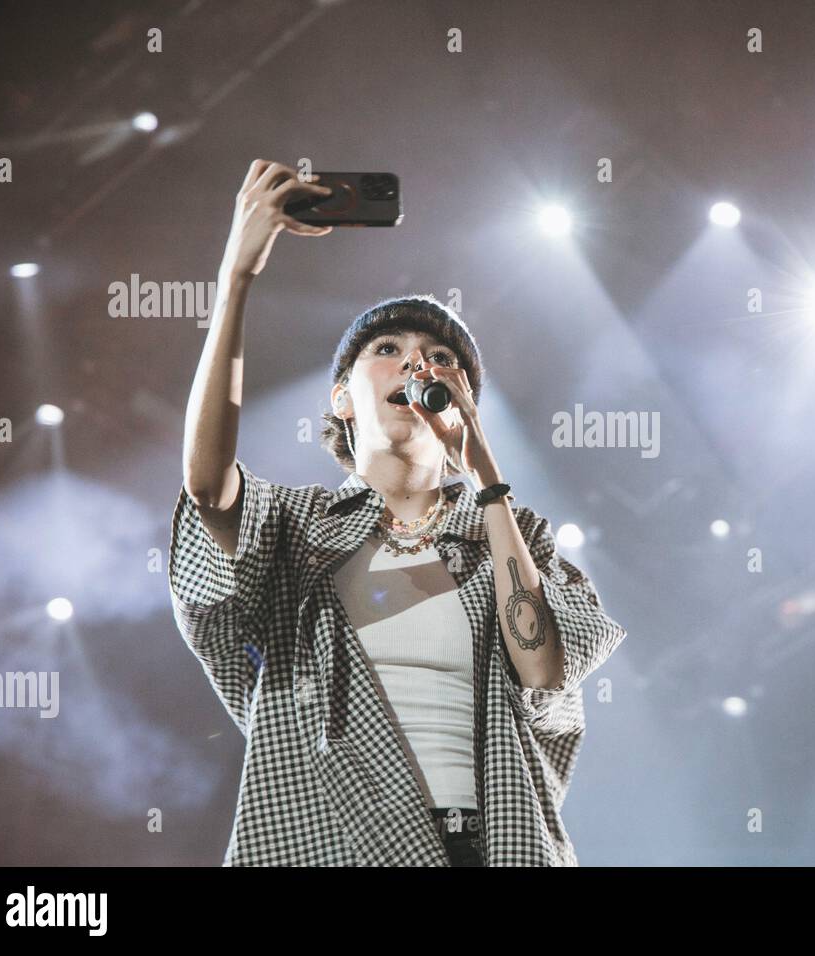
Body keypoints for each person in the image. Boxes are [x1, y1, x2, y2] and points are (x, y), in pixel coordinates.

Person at [168, 159, 627, 866]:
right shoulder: (295, 527)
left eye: (441, 358)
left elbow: (541, 673)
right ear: (342, 399)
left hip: (489, 845)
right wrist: (236, 277)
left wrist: (486, 479)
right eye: (388, 350)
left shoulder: (510, 533)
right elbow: (206, 485)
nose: (418, 366)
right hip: (332, 845)